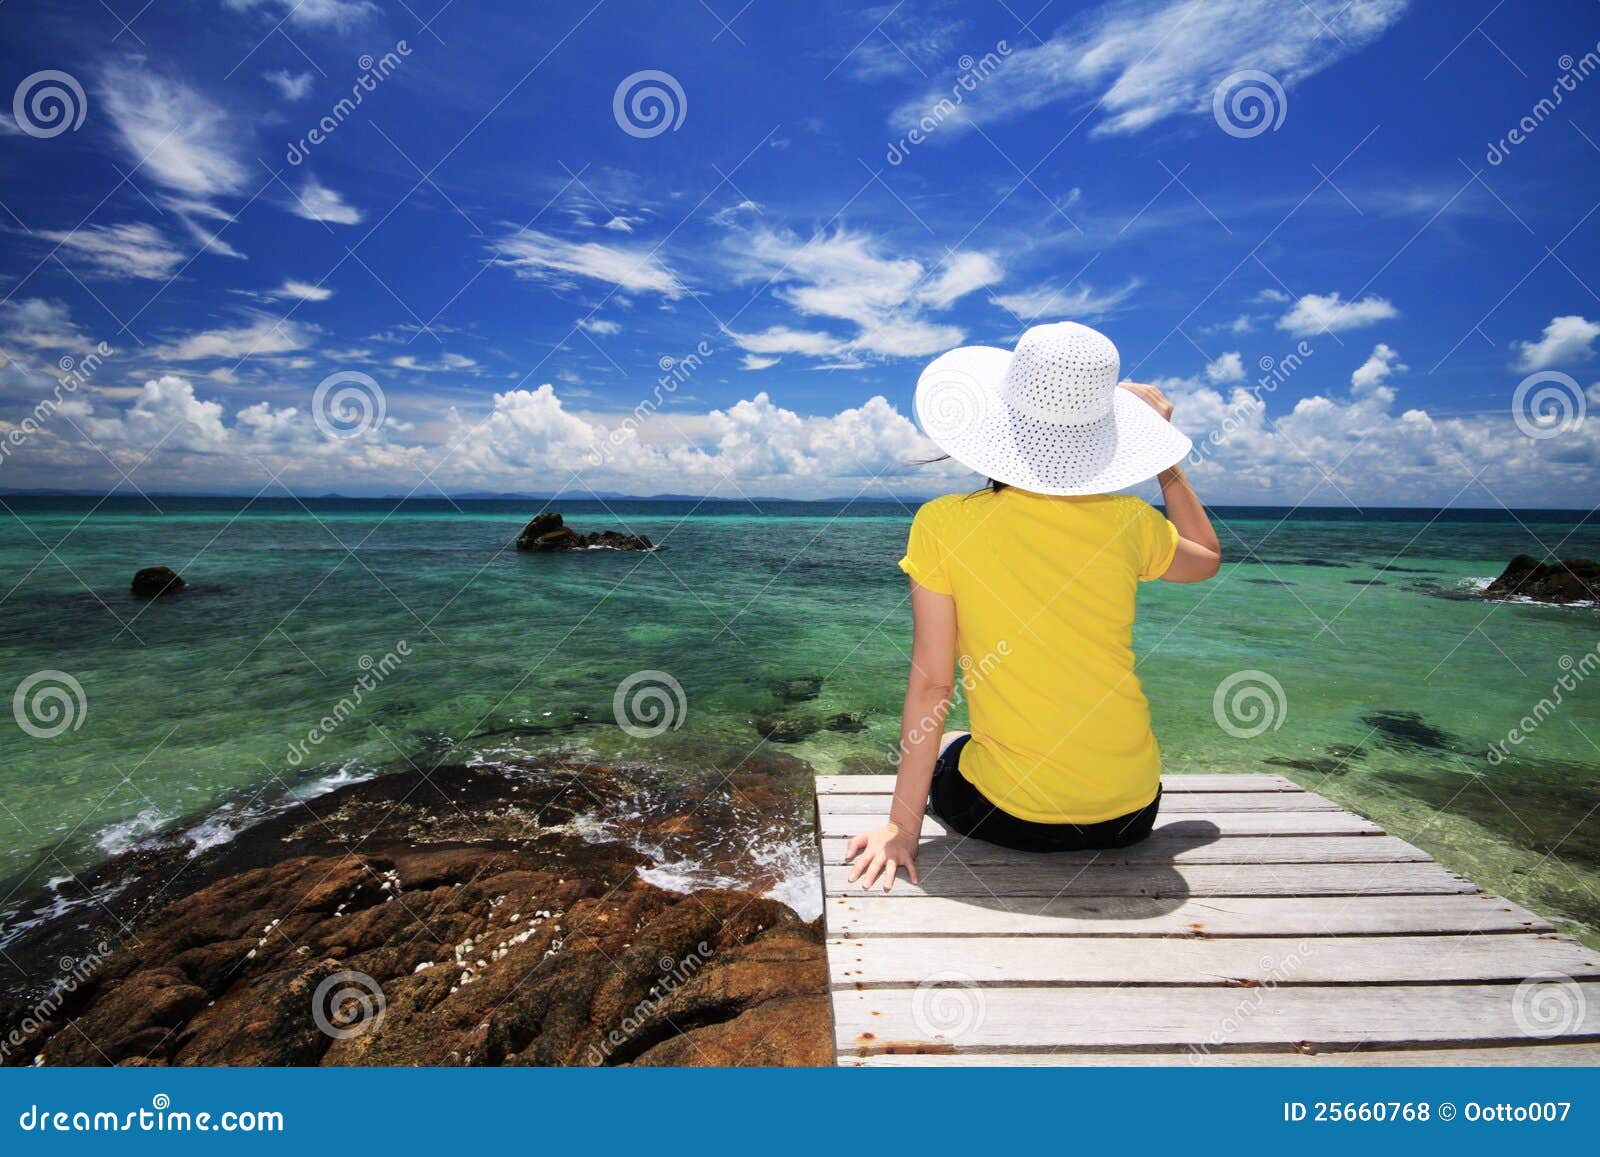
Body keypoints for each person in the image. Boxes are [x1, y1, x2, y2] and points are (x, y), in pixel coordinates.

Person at [846, 321, 1221, 890]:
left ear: (997, 427)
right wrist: (1165, 458)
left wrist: (901, 829)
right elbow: (1207, 559)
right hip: (1132, 813)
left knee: (953, 750)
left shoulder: (944, 524)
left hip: (1015, 818)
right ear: (1103, 439)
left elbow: (933, 687)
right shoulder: (1131, 524)